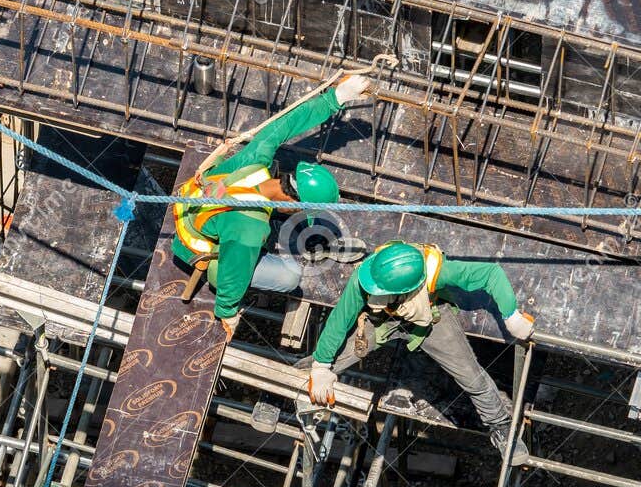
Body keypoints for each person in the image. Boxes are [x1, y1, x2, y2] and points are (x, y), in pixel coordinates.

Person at [173, 74, 371, 338]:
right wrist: (227, 312)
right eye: (301, 209)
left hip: (197, 204)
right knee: (290, 278)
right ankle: (217, 280)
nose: (299, 213)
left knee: (254, 236)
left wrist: (335, 99)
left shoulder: (256, 164)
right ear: (291, 199)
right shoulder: (250, 226)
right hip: (196, 247)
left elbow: (284, 125)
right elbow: (235, 272)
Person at [306, 241, 536, 464]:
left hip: (430, 320)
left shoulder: (437, 270)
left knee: (471, 376)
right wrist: (321, 366)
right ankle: (295, 389)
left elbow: (491, 274)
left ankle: (502, 429)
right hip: (381, 321)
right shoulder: (368, 275)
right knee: (324, 365)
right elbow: (340, 319)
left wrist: (511, 315)